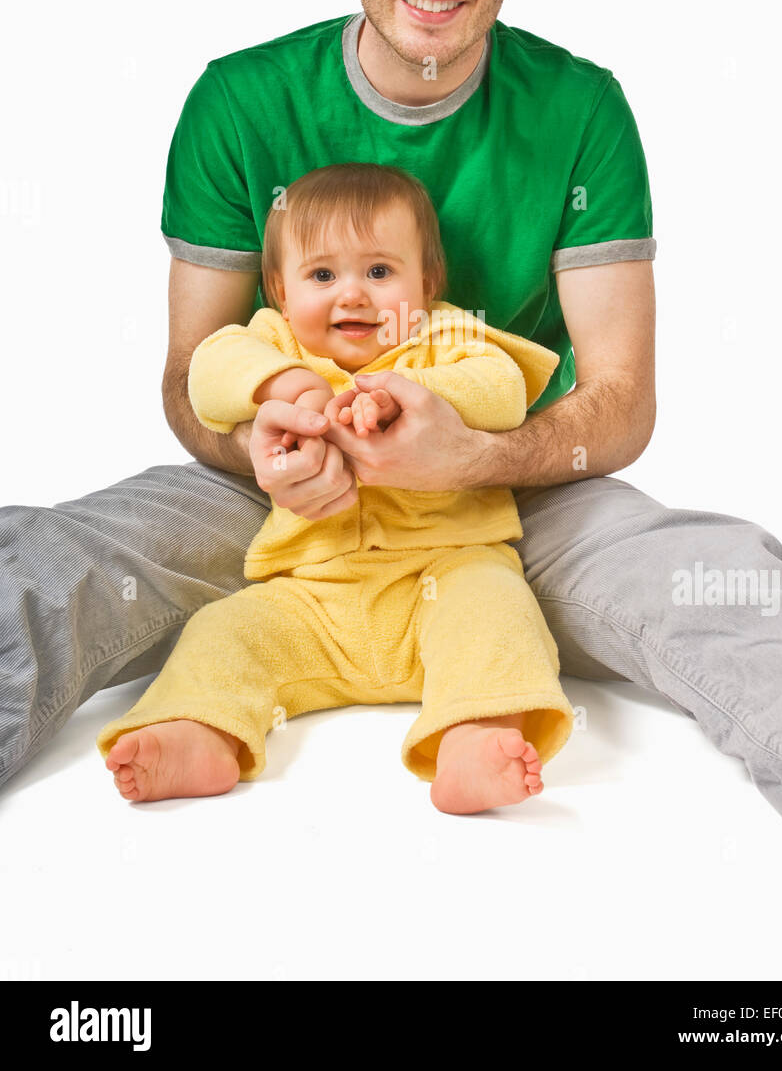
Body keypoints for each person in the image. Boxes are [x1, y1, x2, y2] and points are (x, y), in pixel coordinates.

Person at [1, 0, 782, 894]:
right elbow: (190, 376)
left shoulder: (581, 107)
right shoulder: (238, 99)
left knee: (732, 589)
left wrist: (478, 455)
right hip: (273, 496)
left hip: (511, 502)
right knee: (49, 563)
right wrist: (261, 440)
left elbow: (621, 401)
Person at [96, 164, 575, 812]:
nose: (352, 296)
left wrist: (414, 398)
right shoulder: (274, 342)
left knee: (496, 613)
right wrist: (287, 388)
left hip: (444, 576)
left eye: (379, 273)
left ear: (426, 283)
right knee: (223, 632)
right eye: (322, 275)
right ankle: (200, 731)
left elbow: (503, 389)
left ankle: (472, 735)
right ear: (279, 289)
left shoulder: (447, 334)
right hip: (311, 598)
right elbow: (209, 370)